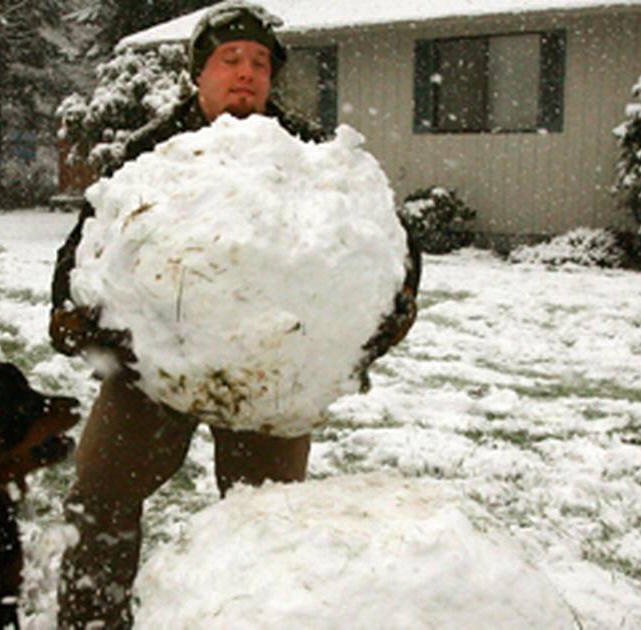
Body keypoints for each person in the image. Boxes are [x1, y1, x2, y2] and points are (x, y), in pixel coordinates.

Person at [48, 2, 420, 627]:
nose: (246, 73)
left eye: (259, 63)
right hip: (151, 369)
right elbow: (86, 245)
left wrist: (388, 313)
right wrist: (71, 315)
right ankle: (91, 621)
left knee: (271, 522)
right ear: (199, 74)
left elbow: (388, 243)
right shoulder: (152, 152)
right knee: (100, 497)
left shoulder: (312, 156)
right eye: (230, 60)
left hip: (269, 377)